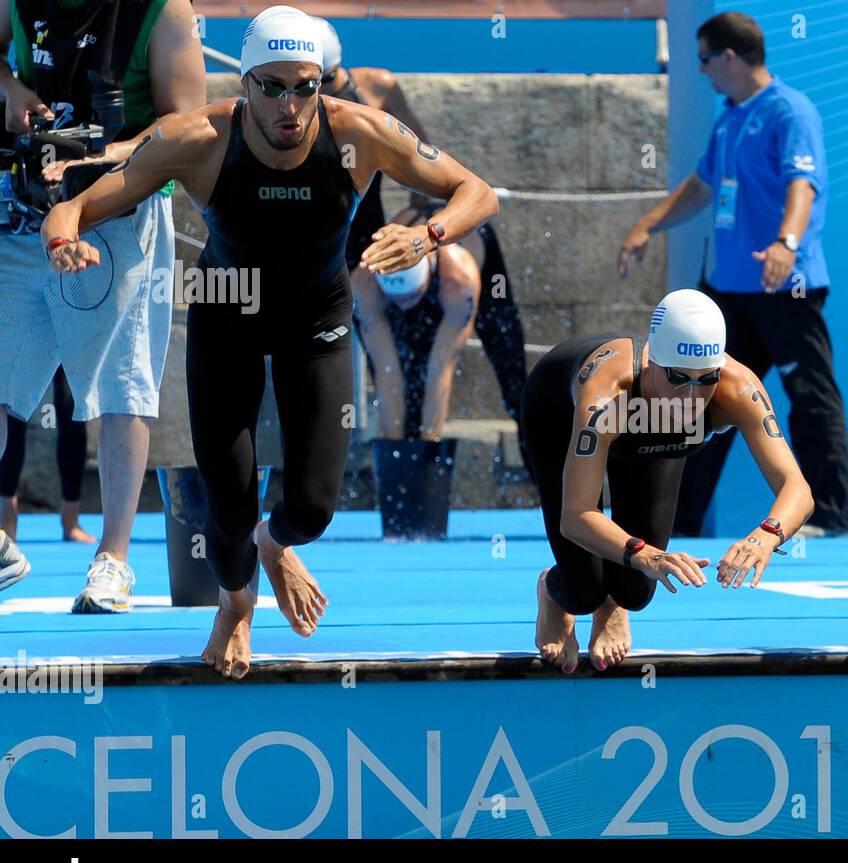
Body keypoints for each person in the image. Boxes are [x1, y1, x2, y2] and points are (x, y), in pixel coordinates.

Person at [42, 5, 498, 678]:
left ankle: (274, 544)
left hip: (315, 324)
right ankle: (235, 602)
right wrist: (63, 235)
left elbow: (476, 191)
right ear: (245, 83)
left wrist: (427, 234)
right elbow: (79, 203)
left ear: (322, 83)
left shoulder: (359, 132)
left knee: (311, 511)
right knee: (225, 515)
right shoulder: (195, 138)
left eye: (305, 86)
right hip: (226, 320)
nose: (290, 105)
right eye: (272, 86)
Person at [0, 0, 205, 608]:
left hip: (122, 211)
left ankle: (113, 558)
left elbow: (190, 125)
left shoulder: (164, 11)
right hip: (24, 202)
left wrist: (108, 154)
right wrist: (9, 87)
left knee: (122, 383)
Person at [618, 10, 848, 538]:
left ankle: (829, 516)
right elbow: (701, 187)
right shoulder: (729, 117)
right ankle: (679, 522)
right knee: (696, 401)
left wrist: (785, 244)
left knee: (811, 398)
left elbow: (803, 186)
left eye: (703, 59)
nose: (700, 71)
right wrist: (647, 226)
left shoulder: (790, 112)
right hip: (728, 294)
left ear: (729, 56)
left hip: (782, 284)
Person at [522, 288, 814, 673]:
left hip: (650, 444)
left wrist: (766, 535)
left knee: (635, 591)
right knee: (582, 590)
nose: (691, 396)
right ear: (652, 363)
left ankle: (612, 606)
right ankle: (552, 591)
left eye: (706, 379)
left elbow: (798, 489)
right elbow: (575, 515)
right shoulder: (610, 394)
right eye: (678, 378)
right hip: (557, 413)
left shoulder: (738, 388)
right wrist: (648, 554)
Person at [315, 18, 530, 471]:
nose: (323, 94)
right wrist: (397, 458)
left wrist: (428, 451)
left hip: (451, 249)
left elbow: (443, 370)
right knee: (391, 365)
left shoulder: (458, 281)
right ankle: (397, 453)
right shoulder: (369, 280)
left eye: (329, 80)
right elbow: (387, 374)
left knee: (503, 356)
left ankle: (535, 463)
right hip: (368, 240)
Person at [354, 213, 480, 440]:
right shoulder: (365, 286)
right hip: (407, 281)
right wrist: (394, 448)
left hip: (457, 276)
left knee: (507, 365)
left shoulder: (457, 282)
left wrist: (429, 445)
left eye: (410, 298)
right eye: (397, 300)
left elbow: (441, 366)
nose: (403, 307)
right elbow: (386, 368)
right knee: (397, 371)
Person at [0, 367, 96, 544]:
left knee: (72, 404)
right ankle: (6, 514)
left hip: (68, 340)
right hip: (24, 340)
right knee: (13, 406)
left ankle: (71, 519)